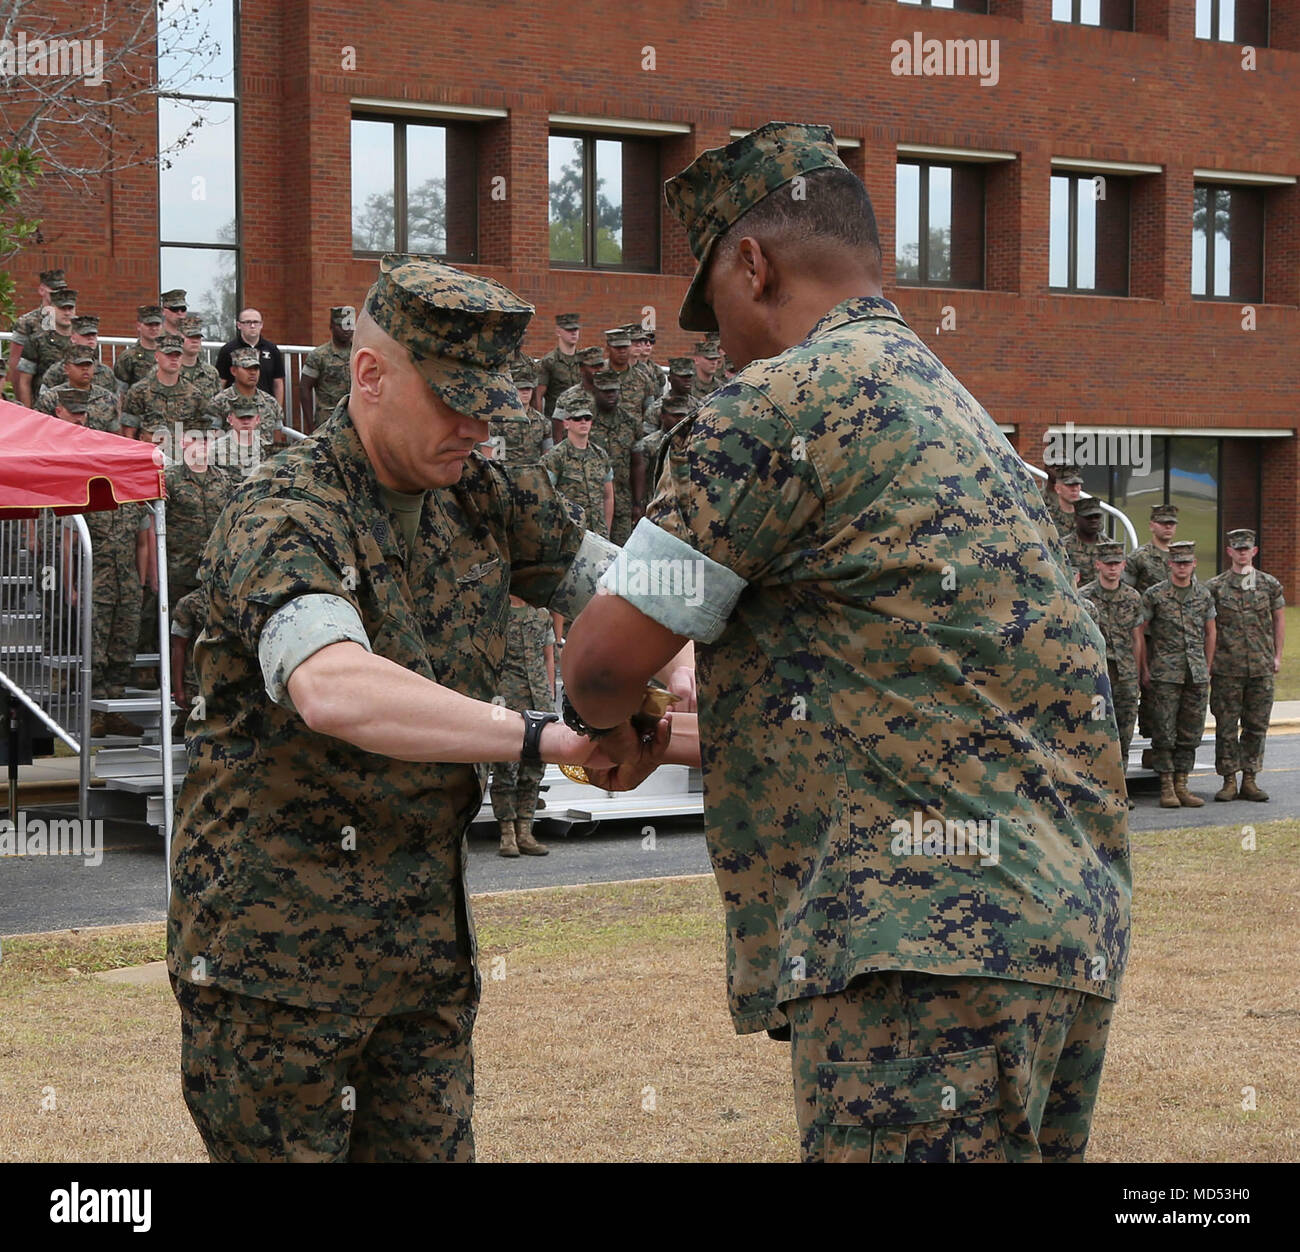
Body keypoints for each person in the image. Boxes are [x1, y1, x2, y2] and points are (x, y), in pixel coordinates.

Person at [561, 121, 1129, 1163]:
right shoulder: (962, 418)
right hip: (1059, 934)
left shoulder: (779, 406)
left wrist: (609, 716)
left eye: (714, 309)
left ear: (751, 262)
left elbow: (601, 660)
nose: (717, 341)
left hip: (918, 953)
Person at [167, 254, 664, 1164]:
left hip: (422, 955)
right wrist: (542, 737)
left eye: (490, 404)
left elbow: (637, 600)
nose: (477, 428)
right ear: (370, 375)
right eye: (453, 401)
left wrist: (690, 697)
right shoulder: (283, 509)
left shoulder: (479, 495)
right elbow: (332, 686)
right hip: (276, 962)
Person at [49, 393, 152, 737]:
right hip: (97, 584)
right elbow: (68, 542)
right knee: (95, 651)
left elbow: (142, 542)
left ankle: (115, 709)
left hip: (126, 585)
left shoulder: (133, 496)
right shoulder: (88, 493)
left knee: (123, 648)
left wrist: (140, 582)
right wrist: (70, 585)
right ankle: (94, 712)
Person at [1206, 529, 1285, 803]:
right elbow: (1210, 628)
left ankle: (1250, 778)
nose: (1241, 552)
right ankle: (1228, 780)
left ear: (1254, 551)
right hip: (1227, 667)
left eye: (1246, 548)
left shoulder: (1269, 584)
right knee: (1226, 726)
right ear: (1229, 552)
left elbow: (1278, 620)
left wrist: (1277, 656)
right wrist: (1210, 662)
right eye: (1236, 548)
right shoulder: (1215, 587)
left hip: (1261, 667)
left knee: (1256, 725)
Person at [1140, 540, 1216, 809]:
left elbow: (1210, 631)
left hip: (1195, 674)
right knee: (1164, 731)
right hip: (1165, 674)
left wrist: (1207, 666)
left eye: (1187, 562)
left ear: (1194, 564)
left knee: (1190, 731)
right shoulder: (1155, 594)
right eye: (1177, 562)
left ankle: (1183, 784)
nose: (1182, 567)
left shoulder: (1203, 595)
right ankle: (1167, 786)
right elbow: (1141, 630)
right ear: (1169, 564)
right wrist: (1145, 667)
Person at [488, 598, 556, 857]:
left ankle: (525, 832)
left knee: (534, 767)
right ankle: (507, 835)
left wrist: (549, 694)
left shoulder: (542, 613)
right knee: (506, 767)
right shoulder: (497, 611)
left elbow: (548, 656)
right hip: (506, 699)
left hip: (538, 700)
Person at [1079, 542, 1145, 807]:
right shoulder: (1084, 597)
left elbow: (1137, 638)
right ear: (1097, 565)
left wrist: (1138, 674)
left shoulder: (1132, 597)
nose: (1112, 568)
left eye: (1117, 563)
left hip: (1126, 674)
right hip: (1097, 676)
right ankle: (1096, 790)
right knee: (1096, 732)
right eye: (1108, 563)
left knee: (1124, 733)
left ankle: (1120, 790)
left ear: (1123, 565)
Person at [1126, 503, 1179, 755]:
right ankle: (1150, 745)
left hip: (1175, 636)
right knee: (1146, 688)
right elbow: (1127, 593)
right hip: (1147, 635)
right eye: (1163, 523)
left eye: (1171, 523)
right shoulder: (1139, 557)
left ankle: (1163, 748)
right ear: (1152, 526)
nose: (1167, 527)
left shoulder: (1180, 557)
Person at [540, 398, 614, 538]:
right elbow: (545, 498)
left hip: (598, 534)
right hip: (570, 536)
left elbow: (608, 496)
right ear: (566, 423)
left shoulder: (600, 455)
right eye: (577, 418)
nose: (583, 421)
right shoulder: (556, 457)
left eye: (587, 418)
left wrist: (606, 532)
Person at [121, 334, 207, 445]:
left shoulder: (194, 395)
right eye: (169, 354)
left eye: (178, 355)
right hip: (149, 455)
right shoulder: (139, 391)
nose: (174, 359)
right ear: (157, 356)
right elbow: (129, 432)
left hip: (182, 456)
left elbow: (201, 434)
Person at [205, 345, 284, 446]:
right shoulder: (220, 402)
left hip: (264, 459)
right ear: (233, 371)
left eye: (256, 368)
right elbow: (211, 442)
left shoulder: (271, 403)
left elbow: (277, 441)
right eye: (247, 368)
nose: (252, 373)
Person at [632, 393, 692, 524]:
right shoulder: (649, 444)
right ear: (663, 417)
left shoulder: (693, 443)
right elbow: (639, 476)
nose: (680, 419)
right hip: (655, 507)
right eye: (675, 416)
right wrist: (639, 504)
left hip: (684, 508)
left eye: (683, 415)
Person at [15, 286, 77, 405]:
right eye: (62, 308)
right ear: (51, 310)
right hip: (44, 406)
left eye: (71, 308)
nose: (67, 313)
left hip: (75, 409)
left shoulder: (82, 342)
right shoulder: (37, 341)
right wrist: (29, 413)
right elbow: (24, 381)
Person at [298, 305, 355, 432]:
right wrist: (309, 425)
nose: (346, 330)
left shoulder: (360, 353)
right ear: (331, 326)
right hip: (328, 421)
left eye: (349, 325)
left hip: (356, 419)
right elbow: (304, 388)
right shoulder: (319, 356)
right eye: (341, 325)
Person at [6, 267, 65, 387]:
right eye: (54, 290)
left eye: (62, 290)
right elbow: (15, 360)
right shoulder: (27, 322)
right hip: (36, 382)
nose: (59, 294)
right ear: (42, 290)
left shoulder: (69, 321)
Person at [486, 357, 551, 465]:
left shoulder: (543, 422)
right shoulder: (499, 420)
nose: (525, 392)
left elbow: (547, 455)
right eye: (521, 389)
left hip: (533, 475)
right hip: (507, 474)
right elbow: (491, 456)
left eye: (528, 389)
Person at [215, 308, 285, 407]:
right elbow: (221, 382)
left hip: (266, 410)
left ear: (261, 325)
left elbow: (278, 383)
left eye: (256, 322)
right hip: (236, 410)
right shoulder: (228, 350)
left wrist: (278, 411)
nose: (252, 326)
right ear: (239, 325)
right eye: (247, 322)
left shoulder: (272, 349)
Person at [34, 353, 120, 433]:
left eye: (88, 365)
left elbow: (115, 434)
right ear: (66, 369)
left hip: (97, 446)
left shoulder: (108, 398)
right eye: (79, 365)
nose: (85, 369)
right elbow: (39, 430)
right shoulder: (51, 397)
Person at [38, 315, 116, 397]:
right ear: (73, 338)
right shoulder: (57, 371)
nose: (91, 338)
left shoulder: (106, 373)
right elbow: (43, 401)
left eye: (94, 335)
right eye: (85, 335)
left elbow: (114, 402)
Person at [549, 345, 605, 443]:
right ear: (582, 368)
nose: (598, 371)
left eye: (600, 366)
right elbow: (557, 431)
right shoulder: (567, 397)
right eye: (593, 367)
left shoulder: (611, 394)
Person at [534, 312, 581, 419]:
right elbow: (538, 396)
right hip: (557, 421)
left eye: (576, 330)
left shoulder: (583, 360)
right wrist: (541, 423)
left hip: (580, 420)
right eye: (569, 330)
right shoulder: (549, 361)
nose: (573, 333)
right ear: (558, 332)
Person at [113, 305, 166, 394]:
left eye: (157, 324)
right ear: (139, 326)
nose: (153, 328)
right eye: (149, 324)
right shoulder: (128, 357)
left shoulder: (169, 354)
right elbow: (120, 391)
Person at [179, 315, 222, 405]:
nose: (195, 341)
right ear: (180, 338)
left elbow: (219, 406)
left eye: (198, 337)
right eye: (190, 337)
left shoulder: (211, 373)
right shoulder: (169, 371)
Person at [1064, 497, 1105, 586]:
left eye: (1097, 516)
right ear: (1076, 519)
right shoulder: (1063, 547)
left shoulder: (1109, 547)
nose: (1093, 520)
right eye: (1088, 517)